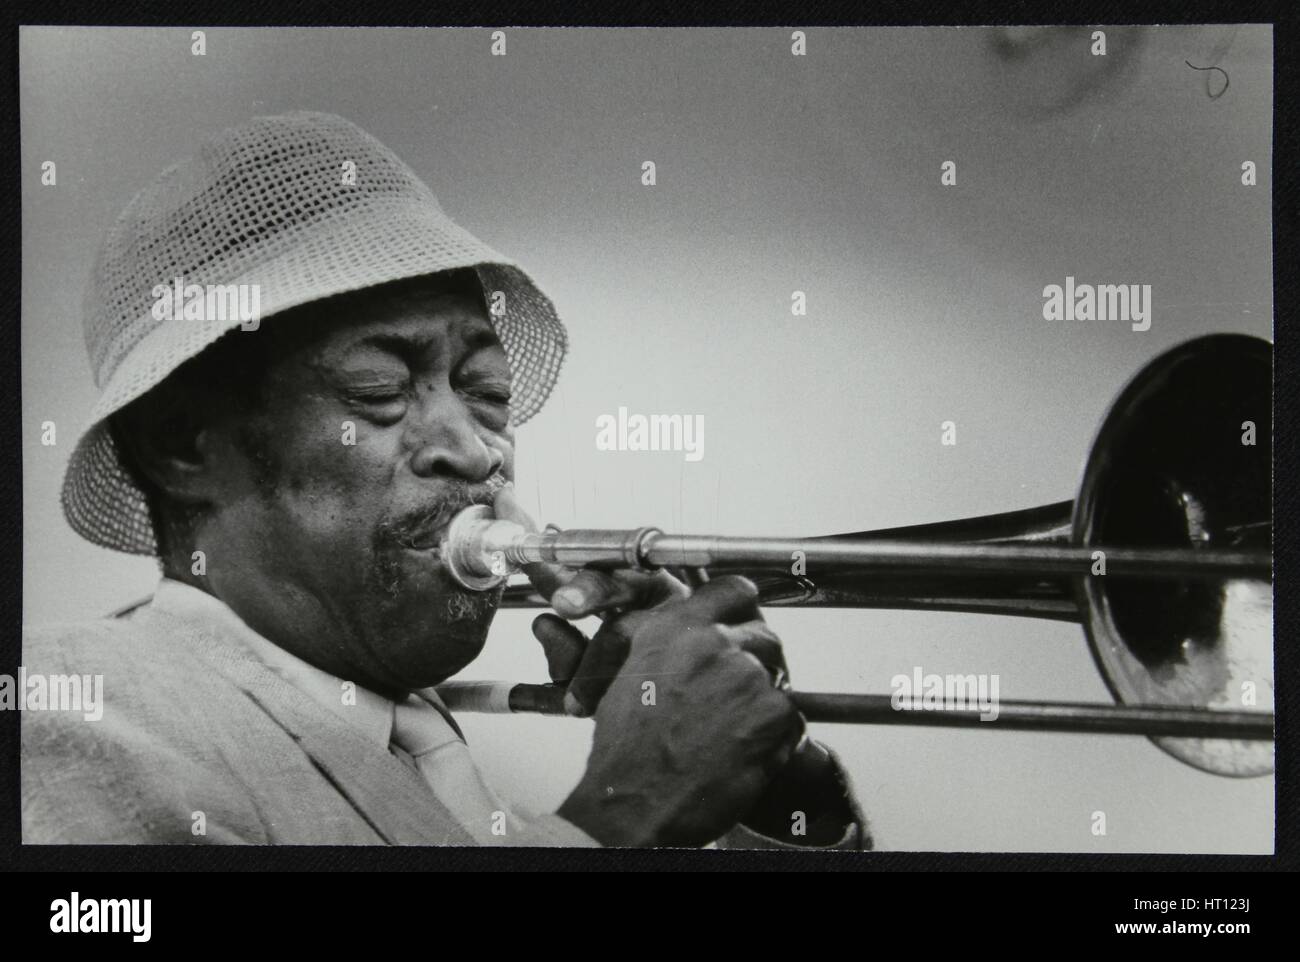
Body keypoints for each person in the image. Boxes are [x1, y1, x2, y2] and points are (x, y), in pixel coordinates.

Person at [23, 111, 868, 849]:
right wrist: (620, 817)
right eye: (380, 393)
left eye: (487, 393)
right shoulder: (70, 712)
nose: (476, 452)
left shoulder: (419, 738)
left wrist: (779, 791)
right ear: (183, 445)